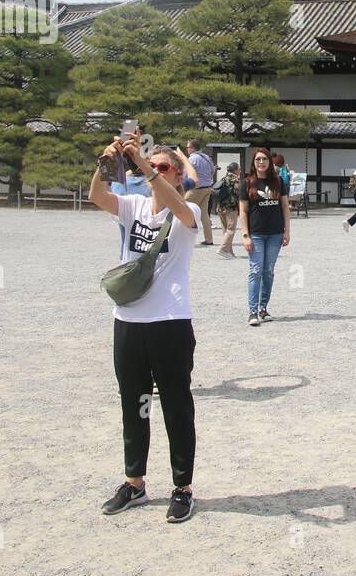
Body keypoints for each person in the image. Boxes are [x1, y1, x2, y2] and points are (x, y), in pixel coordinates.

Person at [89, 132, 200, 523]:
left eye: (162, 167)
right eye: (152, 165)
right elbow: (97, 196)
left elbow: (181, 209)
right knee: (133, 403)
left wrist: (140, 162)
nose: (155, 170)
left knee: (175, 405)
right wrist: (107, 163)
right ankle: (134, 481)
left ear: (177, 176)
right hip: (129, 321)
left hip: (170, 322)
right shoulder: (134, 206)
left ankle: (182, 488)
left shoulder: (188, 211)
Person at [240, 147, 291, 326]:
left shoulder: (278, 181)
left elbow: (285, 207)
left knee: (268, 271)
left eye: (264, 159)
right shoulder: (247, 182)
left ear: (270, 162)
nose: (261, 163)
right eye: (258, 160)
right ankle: (252, 311)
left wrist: (287, 231)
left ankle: (263, 308)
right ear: (253, 163)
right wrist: (245, 235)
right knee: (255, 270)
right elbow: (243, 211)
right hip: (256, 234)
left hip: (275, 233)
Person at [184, 140, 216, 246]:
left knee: (181, 207)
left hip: (196, 189)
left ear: (193, 148)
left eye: (188, 147)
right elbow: (212, 171)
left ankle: (182, 237)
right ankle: (209, 239)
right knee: (204, 214)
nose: (187, 149)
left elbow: (186, 172)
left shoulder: (192, 159)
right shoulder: (207, 158)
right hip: (208, 188)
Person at [216, 164, 242, 257]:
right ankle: (223, 249)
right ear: (235, 170)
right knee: (231, 229)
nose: (240, 171)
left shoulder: (223, 178)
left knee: (225, 230)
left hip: (220, 207)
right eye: (239, 169)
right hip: (231, 207)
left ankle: (229, 251)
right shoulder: (235, 179)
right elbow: (238, 192)